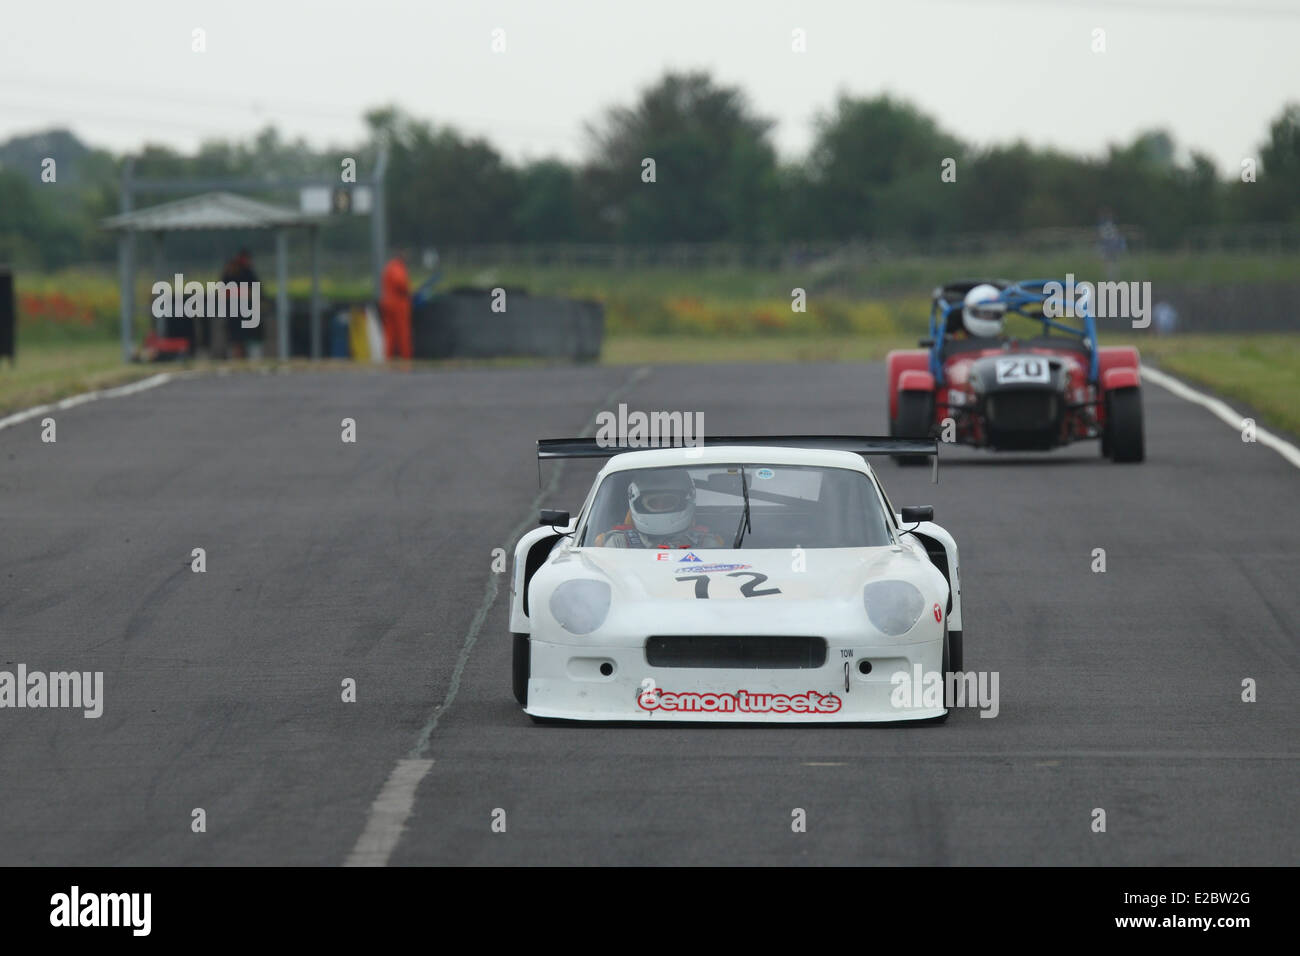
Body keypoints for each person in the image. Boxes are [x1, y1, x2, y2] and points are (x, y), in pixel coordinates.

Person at [598, 470, 725, 549]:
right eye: (653, 502)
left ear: (685, 501)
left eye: (668, 502)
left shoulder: (706, 543)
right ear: (638, 503)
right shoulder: (618, 543)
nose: (660, 507)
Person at [380, 251, 412, 360]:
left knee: (389, 333)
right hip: (398, 304)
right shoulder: (397, 267)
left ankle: (388, 357)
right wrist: (408, 291)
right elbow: (400, 283)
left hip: (388, 302)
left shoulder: (389, 266)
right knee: (402, 332)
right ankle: (406, 357)